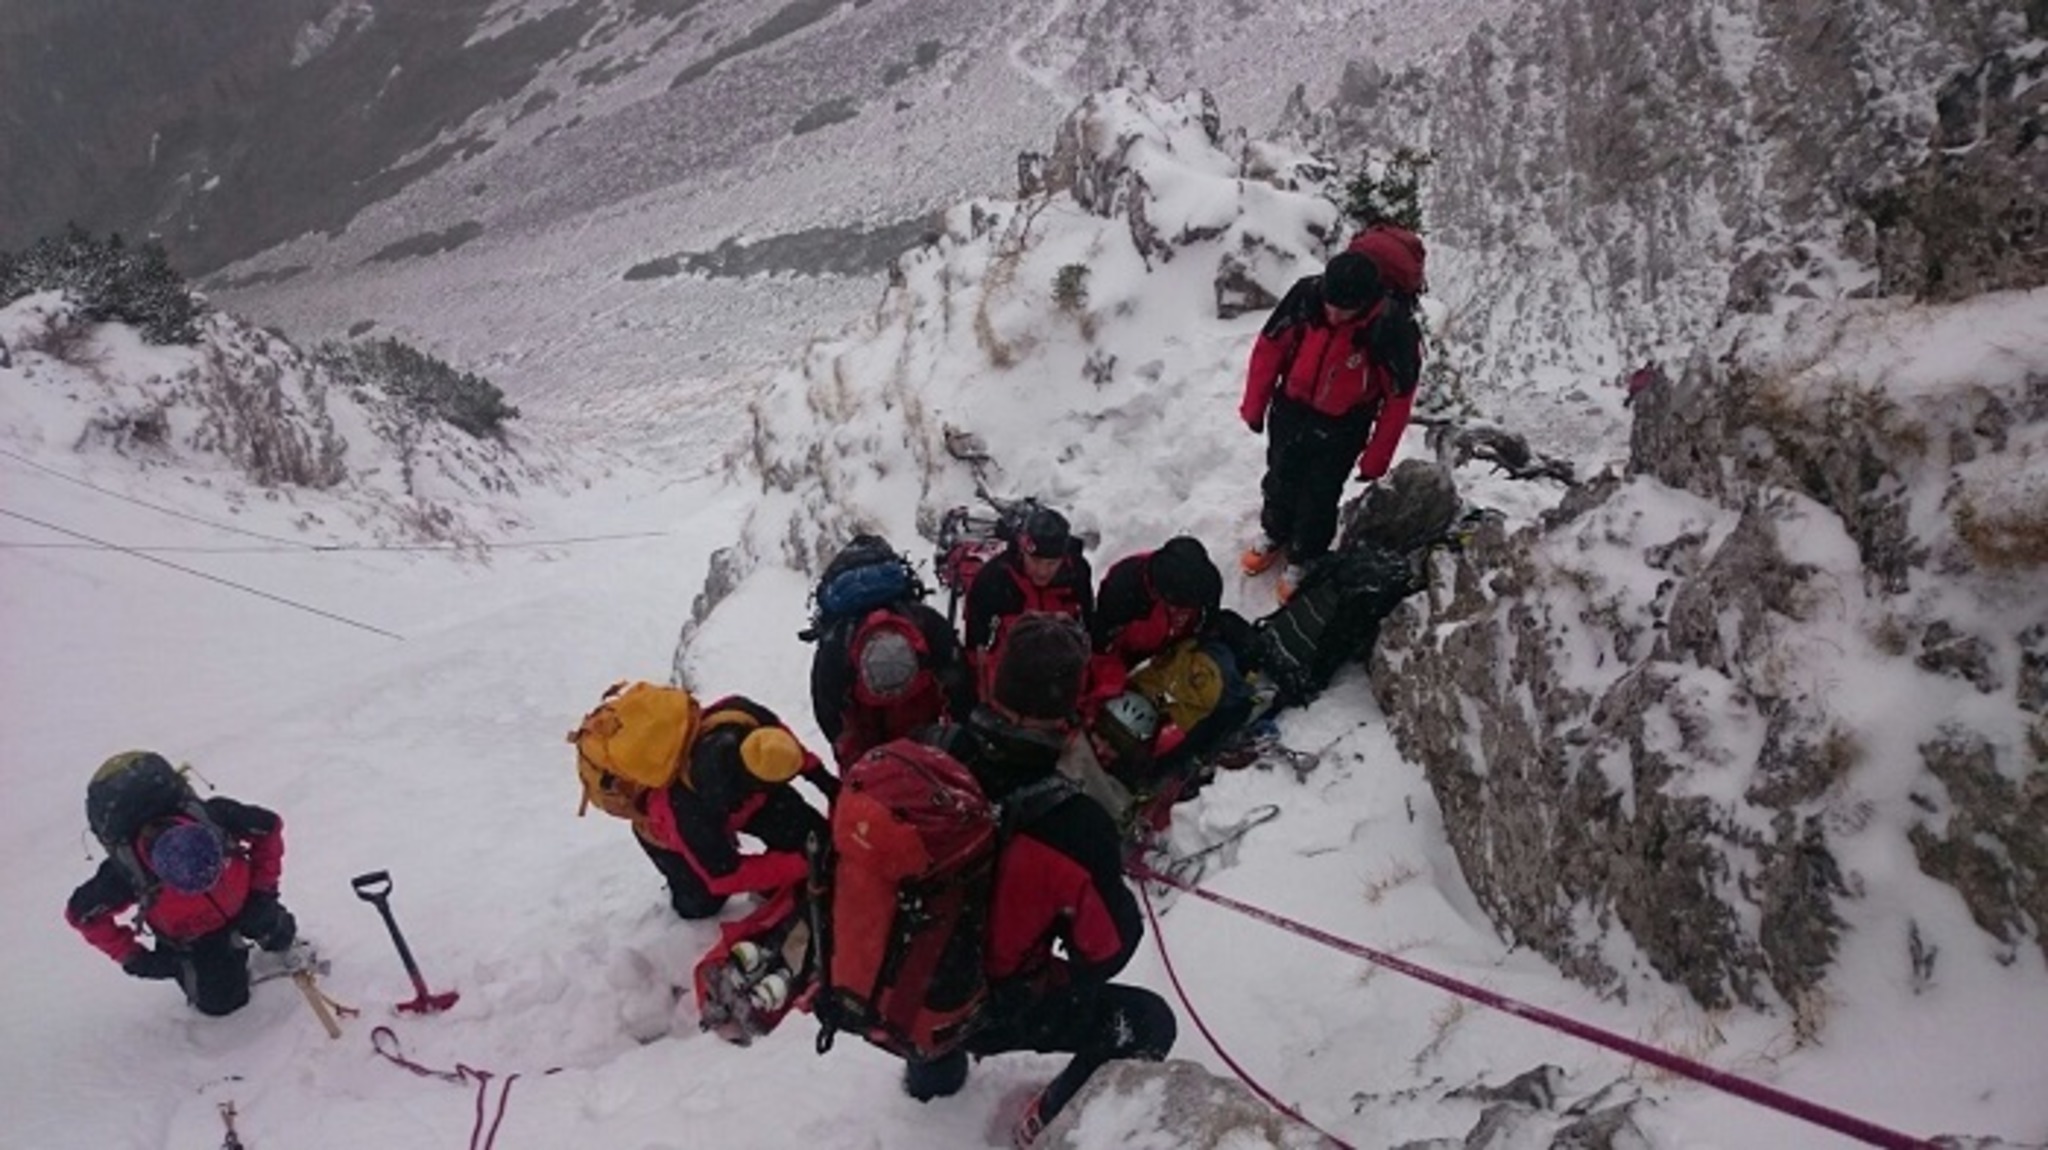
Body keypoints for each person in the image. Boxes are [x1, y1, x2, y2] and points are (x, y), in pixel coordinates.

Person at [901, 615, 1177, 1146]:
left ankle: (931, 1081)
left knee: (942, 953)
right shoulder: (1073, 826)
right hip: (985, 1006)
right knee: (1148, 1023)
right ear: (1069, 715)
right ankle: (1046, 1123)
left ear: (992, 684)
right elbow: (1105, 954)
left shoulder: (924, 752)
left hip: (892, 981)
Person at [1238, 246, 1424, 599]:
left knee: (1320, 495)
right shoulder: (1307, 295)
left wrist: (1376, 458)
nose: (1334, 313)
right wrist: (1254, 405)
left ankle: (1304, 556)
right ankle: (1275, 532)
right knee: (1280, 475)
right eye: (1330, 303)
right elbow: (1270, 347)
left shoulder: (1392, 326)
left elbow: (1399, 398)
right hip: (1291, 409)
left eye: (1344, 308)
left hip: (1343, 426)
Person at [66, 751, 296, 1017]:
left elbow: (270, 828)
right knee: (221, 1003)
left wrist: (263, 891)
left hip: (247, 901)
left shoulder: (216, 817)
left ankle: (275, 937)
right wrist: (133, 957)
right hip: (193, 937)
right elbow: (81, 915)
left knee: (279, 932)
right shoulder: (127, 872)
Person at [635, 696, 835, 920]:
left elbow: (783, 744)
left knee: (812, 834)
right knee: (702, 905)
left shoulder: (745, 717)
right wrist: (800, 863)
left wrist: (824, 780)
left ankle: (774, 880)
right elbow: (724, 877)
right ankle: (687, 886)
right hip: (668, 830)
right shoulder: (688, 811)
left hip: (741, 803)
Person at [809, 564, 974, 768]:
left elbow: (830, 719)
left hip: (887, 733)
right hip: (913, 726)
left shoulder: (835, 648)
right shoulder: (929, 624)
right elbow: (962, 691)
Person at [963, 505, 1094, 689]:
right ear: (1022, 551)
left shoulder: (1077, 572)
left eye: (1051, 563)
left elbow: (1089, 625)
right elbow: (976, 645)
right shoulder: (994, 577)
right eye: (1036, 561)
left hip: (1061, 667)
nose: (1042, 571)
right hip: (1009, 668)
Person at [1092, 536, 1223, 671]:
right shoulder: (1125, 582)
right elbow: (1102, 639)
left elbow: (1209, 625)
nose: (1179, 610)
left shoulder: (1209, 583)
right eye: (1177, 604)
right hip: (1130, 650)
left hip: (1177, 645)